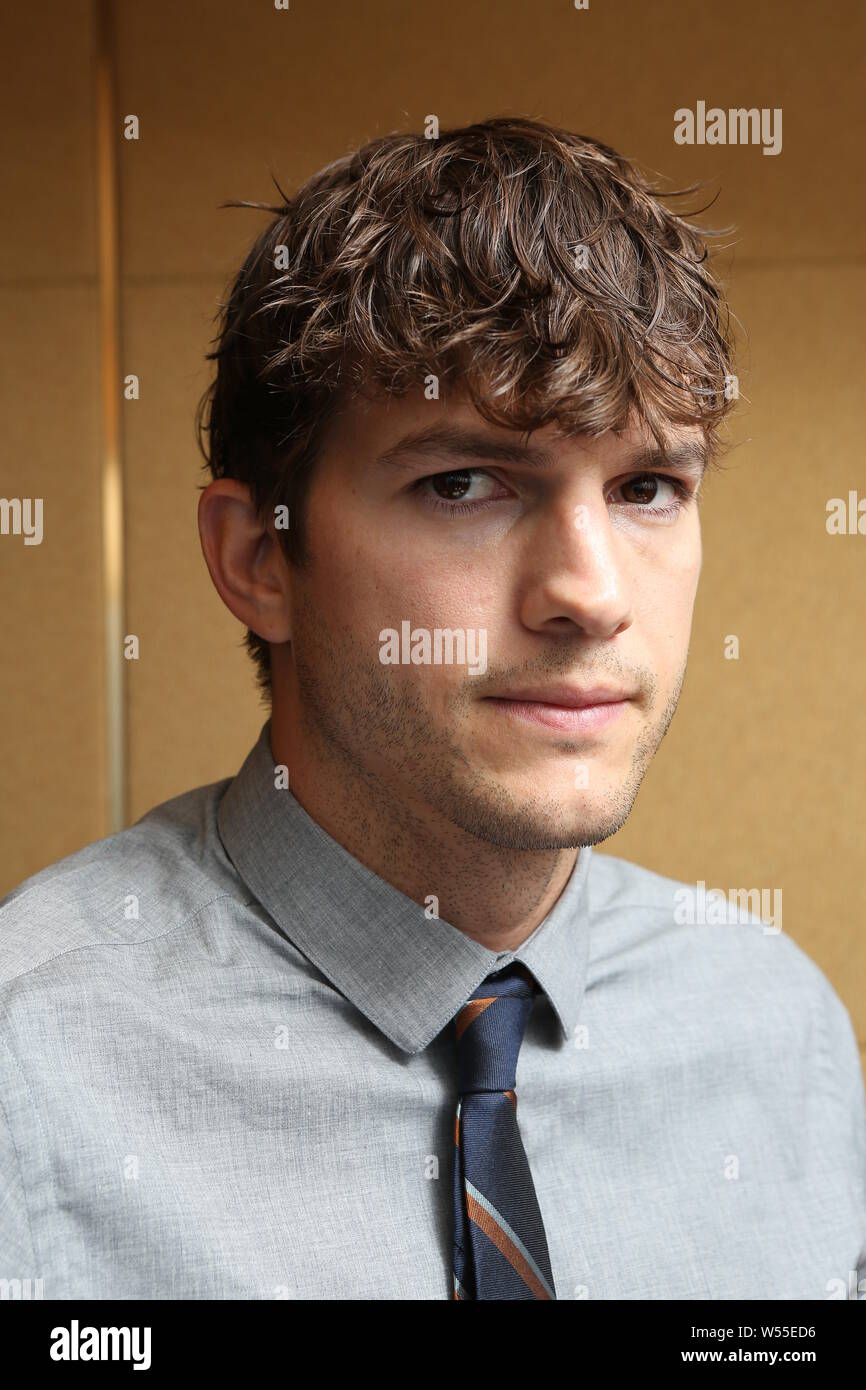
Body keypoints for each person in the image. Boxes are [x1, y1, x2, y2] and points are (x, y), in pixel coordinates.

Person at [1, 116, 863, 1301]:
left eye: (647, 486)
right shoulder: (28, 1066)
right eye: (462, 483)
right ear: (259, 557)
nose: (589, 594)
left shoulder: (779, 1033)